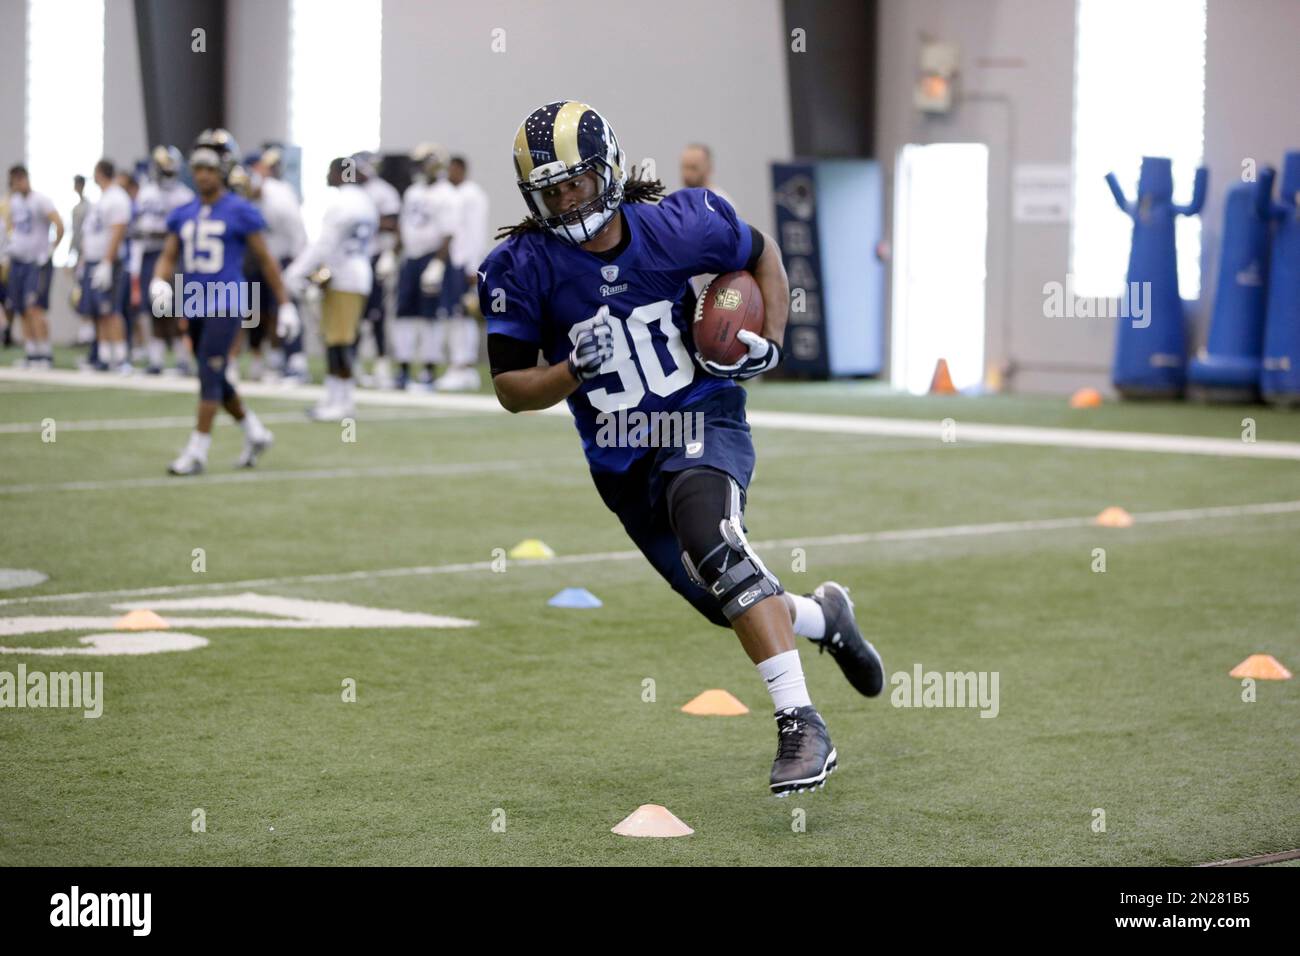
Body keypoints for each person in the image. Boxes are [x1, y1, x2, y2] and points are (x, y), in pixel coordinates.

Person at [480, 101, 885, 795]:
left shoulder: (681, 221)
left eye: (575, 181)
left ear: (607, 170)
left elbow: (764, 258)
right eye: (550, 189)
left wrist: (771, 346)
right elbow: (512, 389)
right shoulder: (517, 266)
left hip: (699, 417)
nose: (565, 199)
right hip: (622, 456)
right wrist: (568, 369)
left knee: (714, 542)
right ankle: (824, 616)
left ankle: (801, 723)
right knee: (724, 597)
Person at [149, 129, 298, 475]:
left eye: (210, 169)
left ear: (223, 171)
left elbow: (266, 259)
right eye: (198, 168)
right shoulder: (184, 211)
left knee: (210, 370)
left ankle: (197, 451)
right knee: (212, 370)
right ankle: (255, 432)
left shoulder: (240, 210)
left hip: (227, 299)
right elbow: (169, 254)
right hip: (193, 298)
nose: (203, 174)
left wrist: (284, 303)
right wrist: (159, 281)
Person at [283, 157, 378, 421]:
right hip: (356, 272)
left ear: (340, 173)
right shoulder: (365, 201)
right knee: (335, 339)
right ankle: (334, 395)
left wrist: (298, 271)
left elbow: (325, 244)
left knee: (339, 342)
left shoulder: (341, 203)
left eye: (330, 171)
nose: (327, 176)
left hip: (343, 276)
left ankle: (344, 400)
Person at [393, 142, 457, 391]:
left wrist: (438, 264)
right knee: (404, 314)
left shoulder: (447, 194)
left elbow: (448, 232)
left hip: (433, 257)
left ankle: (429, 371)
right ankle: (403, 369)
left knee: (431, 316)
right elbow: (403, 224)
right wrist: (392, 253)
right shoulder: (412, 191)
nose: (419, 168)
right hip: (411, 257)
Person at [134, 146, 195, 374]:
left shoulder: (184, 196)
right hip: (150, 254)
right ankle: (157, 359)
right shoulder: (146, 192)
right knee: (155, 308)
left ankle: (182, 359)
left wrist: (157, 233)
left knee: (175, 308)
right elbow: (139, 223)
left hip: (175, 256)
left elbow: (182, 231)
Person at [437, 156, 490, 391]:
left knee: (464, 314)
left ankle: (465, 366)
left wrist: (473, 266)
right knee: (454, 314)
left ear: (462, 170)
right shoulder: (454, 195)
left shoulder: (473, 195)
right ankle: (457, 364)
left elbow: (476, 232)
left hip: (467, 263)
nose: (450, 173)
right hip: (455, 261)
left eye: (453, 169)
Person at [5, 165, 63, 367]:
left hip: (36, 263)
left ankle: (45, 353)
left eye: (21, 178)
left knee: (34, 308)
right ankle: (31, 353)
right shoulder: (13, 202)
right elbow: (11, 229)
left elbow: (59, 224)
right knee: (21, 308)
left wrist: (51, 249)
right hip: (18, 261)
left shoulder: (41, 200)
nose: (19, 183)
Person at [80, 159, 132, 372]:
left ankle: (120, 358)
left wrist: (107, 262)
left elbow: (118, 229)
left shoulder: (117, 197)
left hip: (109, 262)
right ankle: (103, 357)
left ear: (101, 173)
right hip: (94, 261)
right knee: (98, 312)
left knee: (111, 310)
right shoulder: (102, 198)